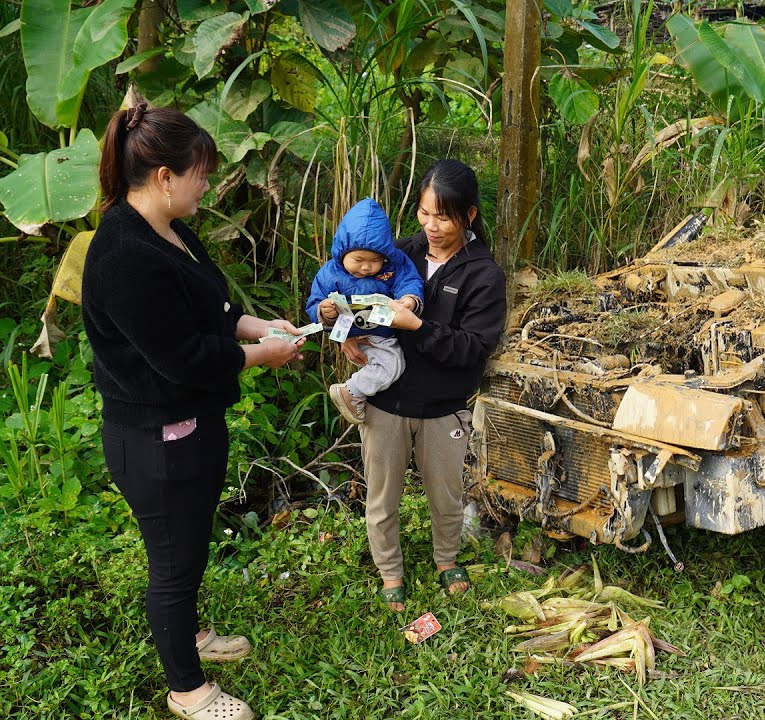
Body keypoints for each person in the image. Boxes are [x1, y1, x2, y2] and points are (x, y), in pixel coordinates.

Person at [81, 103, 304, 720]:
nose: (207, 183)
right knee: (174, 564)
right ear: (164, 176)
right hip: (153, 441)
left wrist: (260, 325)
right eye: (201, 172)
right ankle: (187, 689)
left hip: (190, 430)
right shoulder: (125, 257)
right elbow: (183, 357)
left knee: (189, 548)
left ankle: (191, 635)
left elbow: (212, 309)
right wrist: (260, 356)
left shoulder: (173, 230)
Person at [341, 159, 506, 610]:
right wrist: (348, 335)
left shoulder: (483, 275)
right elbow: (353, 295)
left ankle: (445, 559)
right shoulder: (397, 254)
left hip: (444, 407)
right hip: (386, 404)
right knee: (382, 497)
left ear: (469, 215)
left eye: (444, 216)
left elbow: (475, 347)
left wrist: (418, 327)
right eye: (424, 213)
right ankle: (390, 572)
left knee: (447, 496)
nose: (431, 226)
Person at [304, 197, 424, 424]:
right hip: (356, 333)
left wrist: (409, 300)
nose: (366, 267)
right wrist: (323, 311)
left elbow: (409, 281)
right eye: (358, 260)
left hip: (382, 330)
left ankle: (355, 392)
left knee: (393, 365)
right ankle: (352, 392)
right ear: (343, 252)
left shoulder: (395, 263)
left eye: (374, 261)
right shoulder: (331, 273)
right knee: (392, 365)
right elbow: (315, 302)